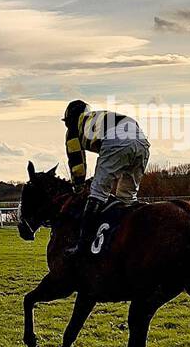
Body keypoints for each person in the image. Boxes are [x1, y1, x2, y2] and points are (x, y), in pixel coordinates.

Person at [61, 99, 150, 256]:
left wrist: (78, 186)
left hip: (117, 140)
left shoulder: (75, 128)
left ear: (70, 119)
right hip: (142, 142)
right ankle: (131, 238)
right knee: (126, 198)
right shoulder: (99, 117)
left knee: (97, 193)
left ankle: (82, 246)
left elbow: (77, 165)